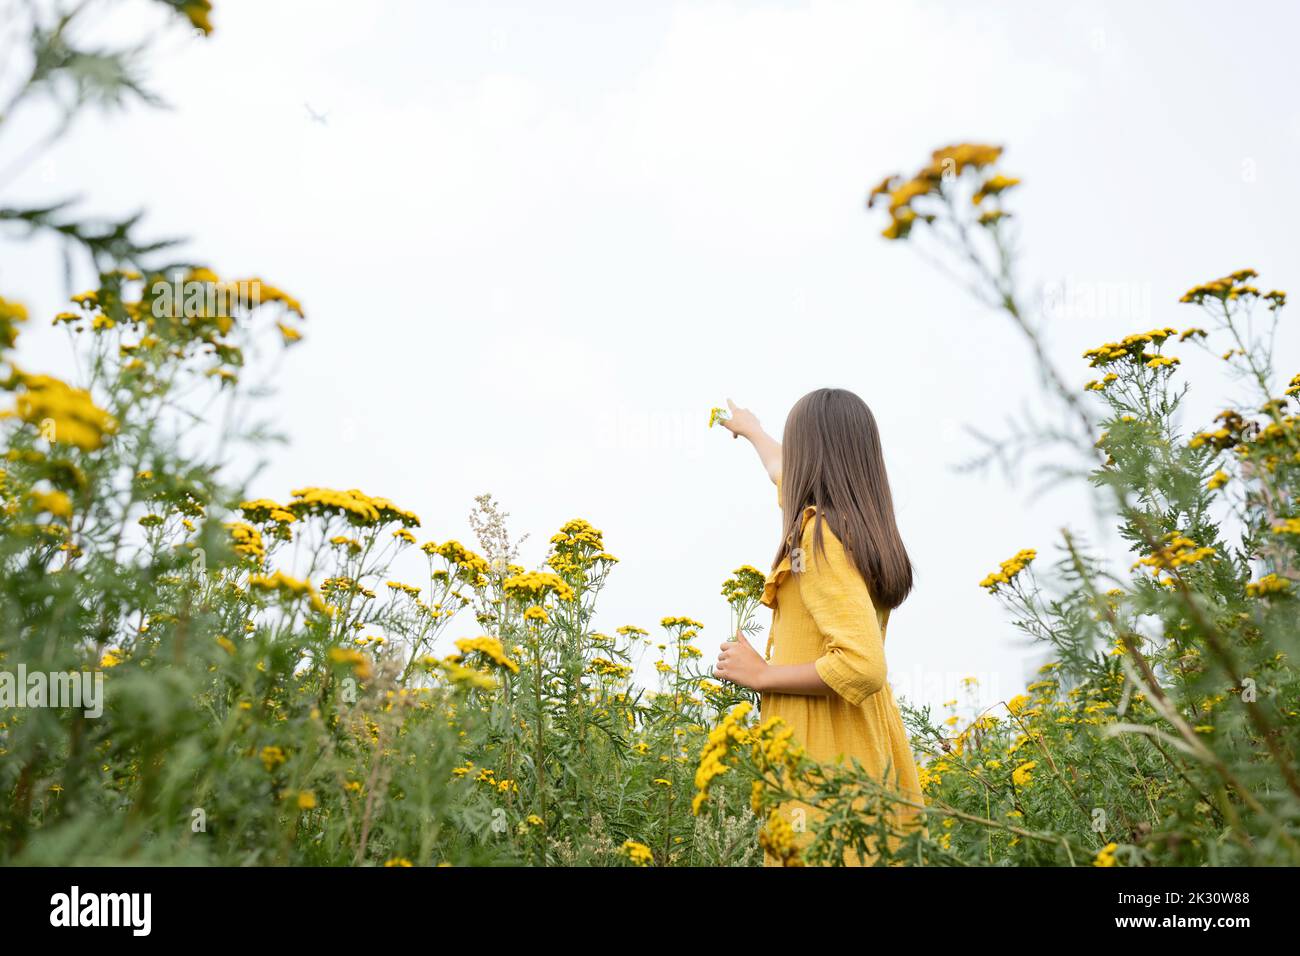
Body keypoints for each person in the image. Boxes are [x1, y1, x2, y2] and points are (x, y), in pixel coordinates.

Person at [713, 389, 924, 865]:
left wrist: (761, 674)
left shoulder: (820, 537)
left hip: (827, 759)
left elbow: (863, 666)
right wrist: (752, 430)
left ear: (811, 455)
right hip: (865, 747)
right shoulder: (855, 528)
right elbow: (781, 471)